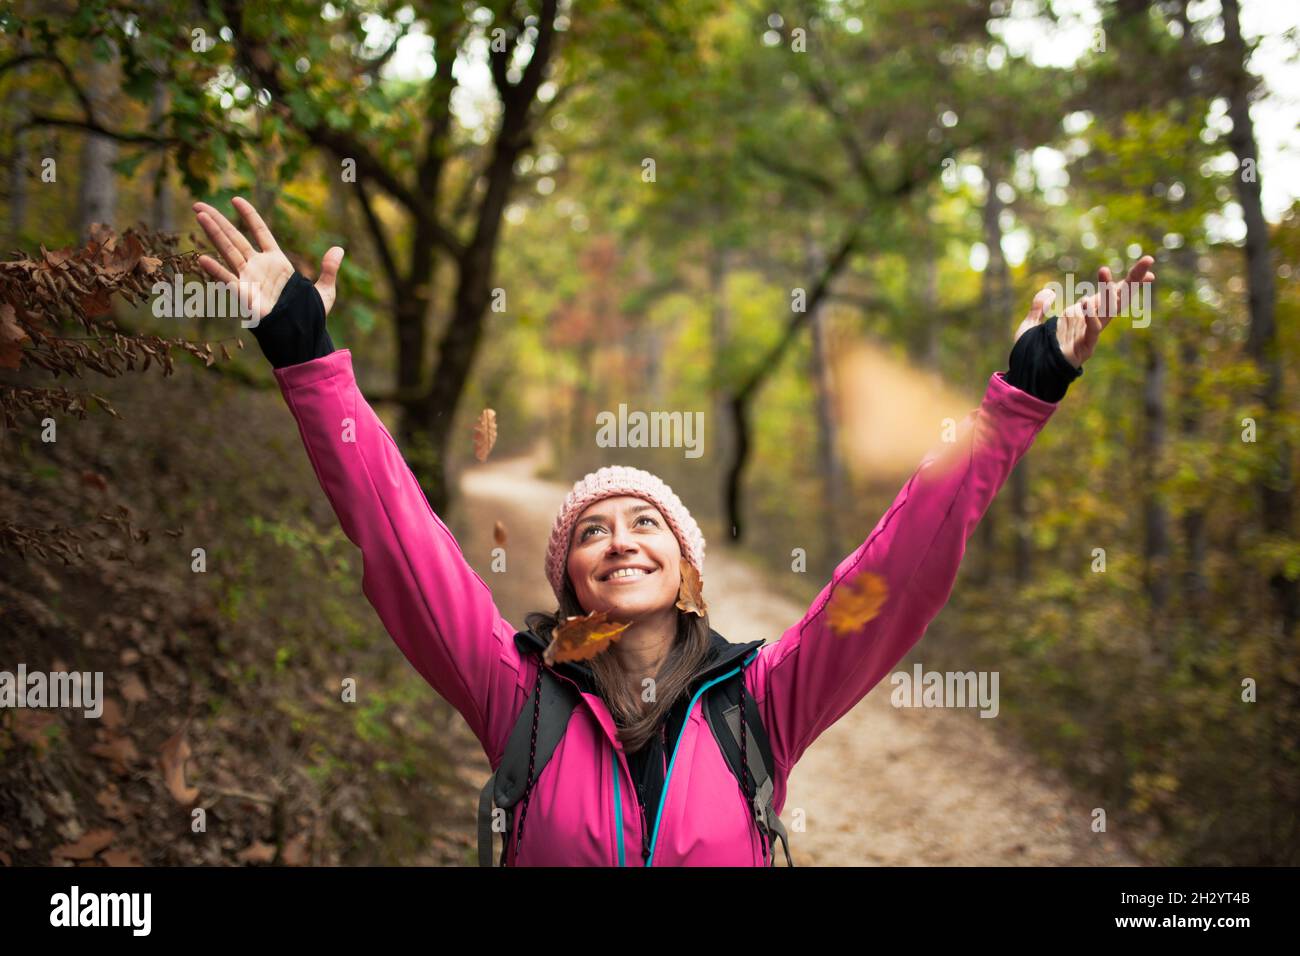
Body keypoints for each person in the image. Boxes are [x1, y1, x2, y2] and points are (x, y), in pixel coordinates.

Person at [193, 197, 1155, 866]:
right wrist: (306, 355)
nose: (620, 539)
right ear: (568, 578)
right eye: (592, 531)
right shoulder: (514, 697)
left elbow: (894, 576)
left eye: (646, 521)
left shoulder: (762, 707)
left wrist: (1017, 403)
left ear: (686, 565)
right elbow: (401, 540)